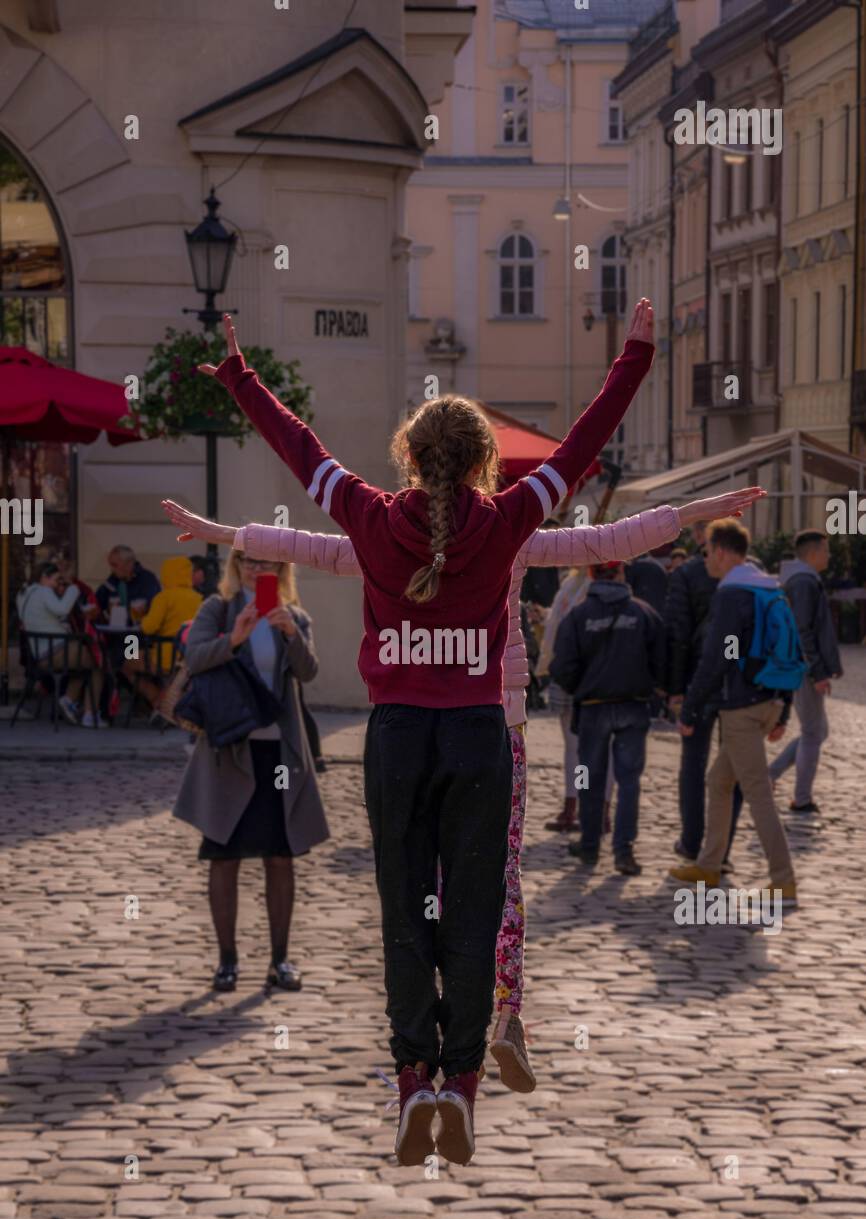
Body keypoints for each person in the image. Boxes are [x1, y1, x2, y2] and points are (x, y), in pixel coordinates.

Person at [184, 304, 763, 1167]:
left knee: (404, 908)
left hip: (398, 738)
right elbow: (582, 449)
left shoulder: (372, 517)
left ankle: (412, 1076)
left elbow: (301, 451)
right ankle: (460, 1085)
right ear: (486, 463)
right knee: (474, 909)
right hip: (477, 737)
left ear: (409, 457)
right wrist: (635, 356)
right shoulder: (509, 522)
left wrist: (240, 377)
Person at [164, 487, 684, 1095]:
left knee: (417, 888)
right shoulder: (506, 536)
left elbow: (313, 549)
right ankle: (502, 1015)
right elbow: (602, 540)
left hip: (414, 726)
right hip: (494, 725)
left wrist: (225, 532)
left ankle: (420, 1052)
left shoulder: (392, 540)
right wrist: (688, 515)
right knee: (496, 878)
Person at [173, 549, 329, 993]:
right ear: (236, 566)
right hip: (229, 749)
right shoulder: (218, 608)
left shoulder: (292, 614)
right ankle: (227, 961)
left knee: (280, 856)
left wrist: (290, 633)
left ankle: (280, 960)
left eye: (267, 563)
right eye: (248, 562)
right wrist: (235, 638)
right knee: (225, 855)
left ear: (282, 568)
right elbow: (196, 657)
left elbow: (309, 671)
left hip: (279, 753)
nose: (257, 570)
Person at [670, 519, 798, 905]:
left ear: (722, 551)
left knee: (757, 791)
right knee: (718, 780)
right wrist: (784, 707)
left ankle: (783, 878)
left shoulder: (730, 593)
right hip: (766, 700)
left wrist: (689, 710)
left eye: (708, 551)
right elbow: (791, 647)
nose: (705, 558)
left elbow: (717, 658)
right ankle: (709, 864)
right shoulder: (768, 586)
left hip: (741, 707)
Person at [549, 559, 666, 875]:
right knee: (628, 782)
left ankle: (589, 846)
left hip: (593, 708)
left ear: (590, 574)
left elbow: (562, 667)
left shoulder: (578, 616)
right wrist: (652, 688)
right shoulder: (642, 613)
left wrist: (581, 689)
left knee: (590, 778)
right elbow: (663, 659)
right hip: (632, 706)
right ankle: (623, 850)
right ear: (621, 573)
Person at [665, 519, 742, 864]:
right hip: (741, 685)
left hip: (699, 678)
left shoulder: (687, 574)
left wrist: (676, 690)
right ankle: (721, 847)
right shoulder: (750, 574)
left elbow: (678, 635)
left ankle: (693, 841)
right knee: (734, 767)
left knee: (694, 765)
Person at [769, 529, 843, 813]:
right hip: (803, 668)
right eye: (826, 550)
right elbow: (802, 631)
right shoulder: (803, 583)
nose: (829, 555)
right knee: (813, 732)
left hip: (801, 666)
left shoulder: (802, 580)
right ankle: (801, 798)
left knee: (818, 730)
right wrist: (818, 672)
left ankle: (771, 773)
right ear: (813, 553)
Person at [16, 562, 105, 726]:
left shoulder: (24, 593)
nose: (58, 584)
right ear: (44, 577)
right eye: (56, 579)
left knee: (87, 661)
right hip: (54, 651)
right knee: (100, 661)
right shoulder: (44, 591)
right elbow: (62, 609)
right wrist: (73, 588)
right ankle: (89, 714)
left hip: (39, 653)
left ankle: (69, 700)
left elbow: (44, 617)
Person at [123, 555, 203, 708]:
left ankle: (156, 698)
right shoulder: (199, 598)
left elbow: (148, 628)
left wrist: (142, 618)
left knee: (126, 661)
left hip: (162, 658)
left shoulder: (164, 597)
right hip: (188, 658)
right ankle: (166, 699)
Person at [95, 545, 160, 621]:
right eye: (111, 565)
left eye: (115, 565)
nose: (112, 569)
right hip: (114, 629)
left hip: (140, 630)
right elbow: (97, 602)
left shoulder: (147, 580)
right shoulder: (112, 580)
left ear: (129, 564)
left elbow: (155, 608)